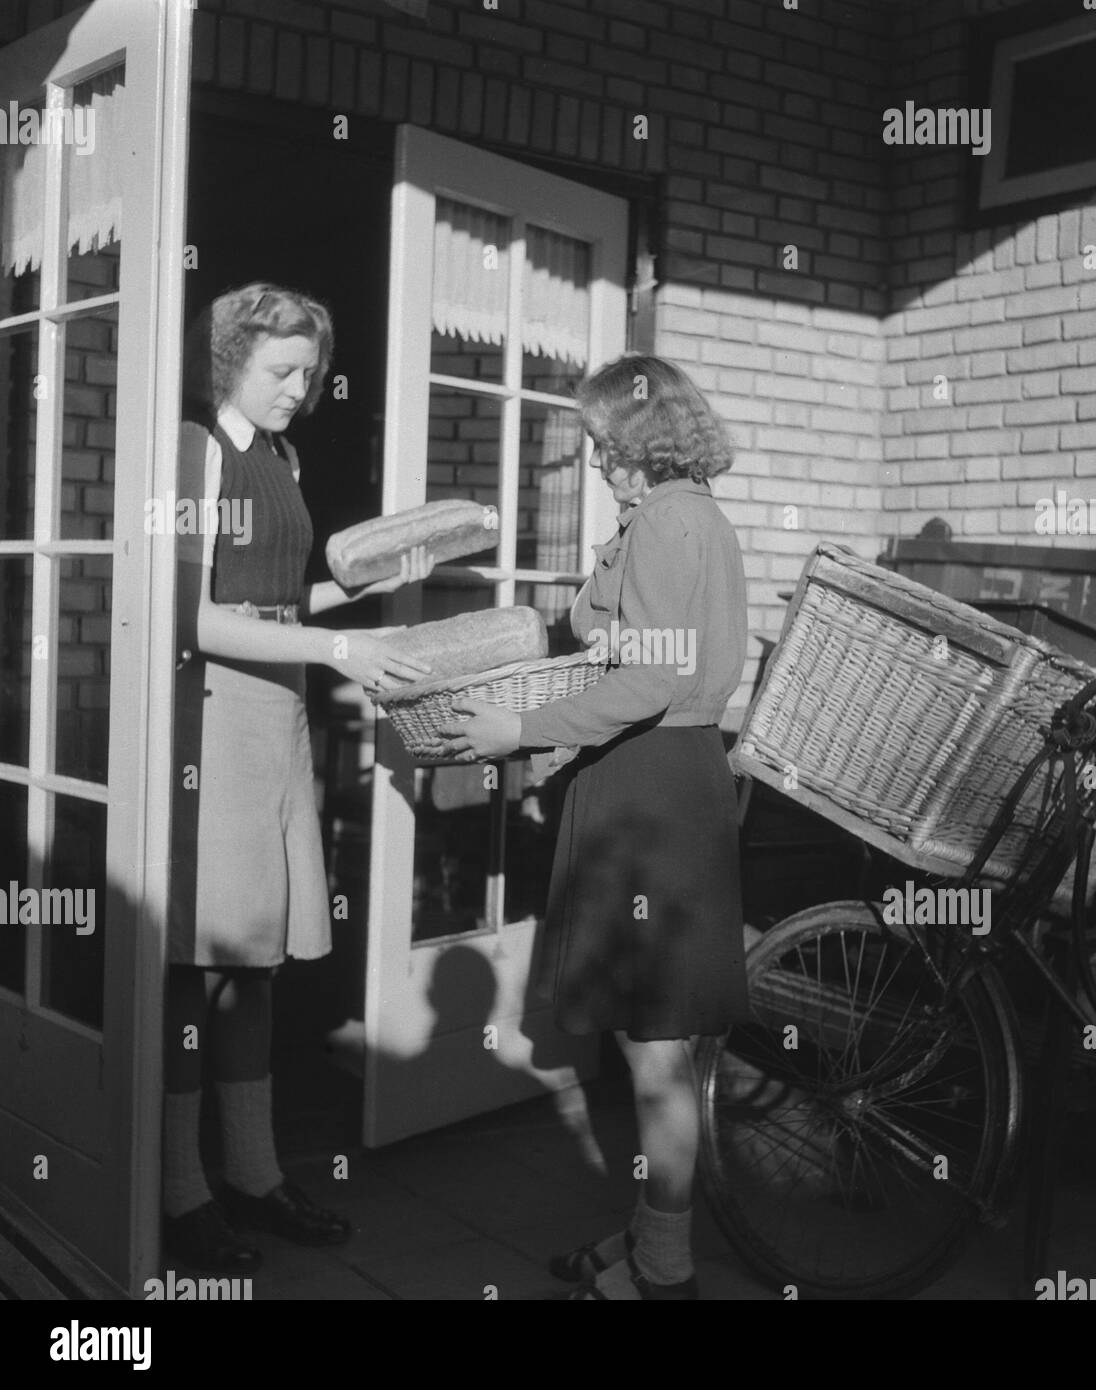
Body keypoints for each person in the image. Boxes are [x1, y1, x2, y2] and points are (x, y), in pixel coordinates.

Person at [441, 354, 750, 1299]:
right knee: (656, 1042)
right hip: (675, 780)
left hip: (647, 787)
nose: (594, 459)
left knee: (653, 1051)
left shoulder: (662, 523)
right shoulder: (693, 517)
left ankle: (664, 1271)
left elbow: (650, 680)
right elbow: (650, 655)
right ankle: (651, 1239)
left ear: (641, 439)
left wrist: (522, 730)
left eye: (604, 443)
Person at [165, 282, 435, 1273]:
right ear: (228, 360)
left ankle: (252, 1172)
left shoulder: (282, 457)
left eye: (309, 372)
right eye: (280, 369)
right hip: (210, 718)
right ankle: (178, 1190)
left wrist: (358, 594)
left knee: (259, 963)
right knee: (200, 963)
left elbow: (278, 601)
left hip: (278, 713)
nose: (298, 388)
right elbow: (190, 615)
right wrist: (335, 649)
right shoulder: (196, 448)